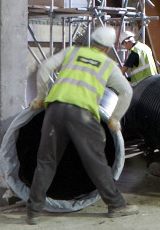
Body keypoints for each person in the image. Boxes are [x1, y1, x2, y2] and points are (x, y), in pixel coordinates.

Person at [26, 24, 137, 225]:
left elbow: (44, 68)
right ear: (107, 48)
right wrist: (114, 119)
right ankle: (116, 205)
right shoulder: (108, 64)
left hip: (55, 110)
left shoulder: (72, 52)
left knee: (46, 162)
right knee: (95, 161)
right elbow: (127, 92)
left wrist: (40, 96)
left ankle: (33, 211)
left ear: (92, 41)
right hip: (82, 115)